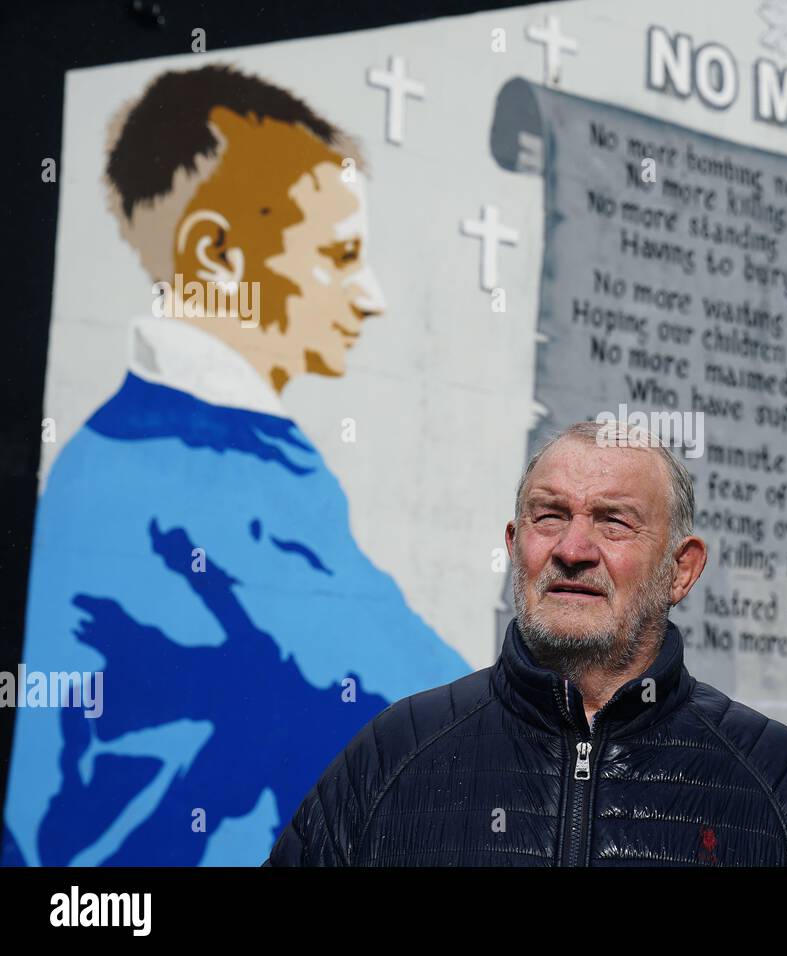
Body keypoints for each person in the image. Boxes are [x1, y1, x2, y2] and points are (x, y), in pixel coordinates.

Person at [1, 64, 468, 868]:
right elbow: (439, 714)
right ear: (214, 256)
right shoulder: (216, 477)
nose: (372, 295)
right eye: (342, 254)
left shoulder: (122, 451)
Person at [265, 420, 787, 866]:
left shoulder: (783, 784)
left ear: (682, 570)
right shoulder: (392, 755)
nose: (572, 549)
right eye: (549, 516)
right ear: (515, 544)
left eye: (613, 521)